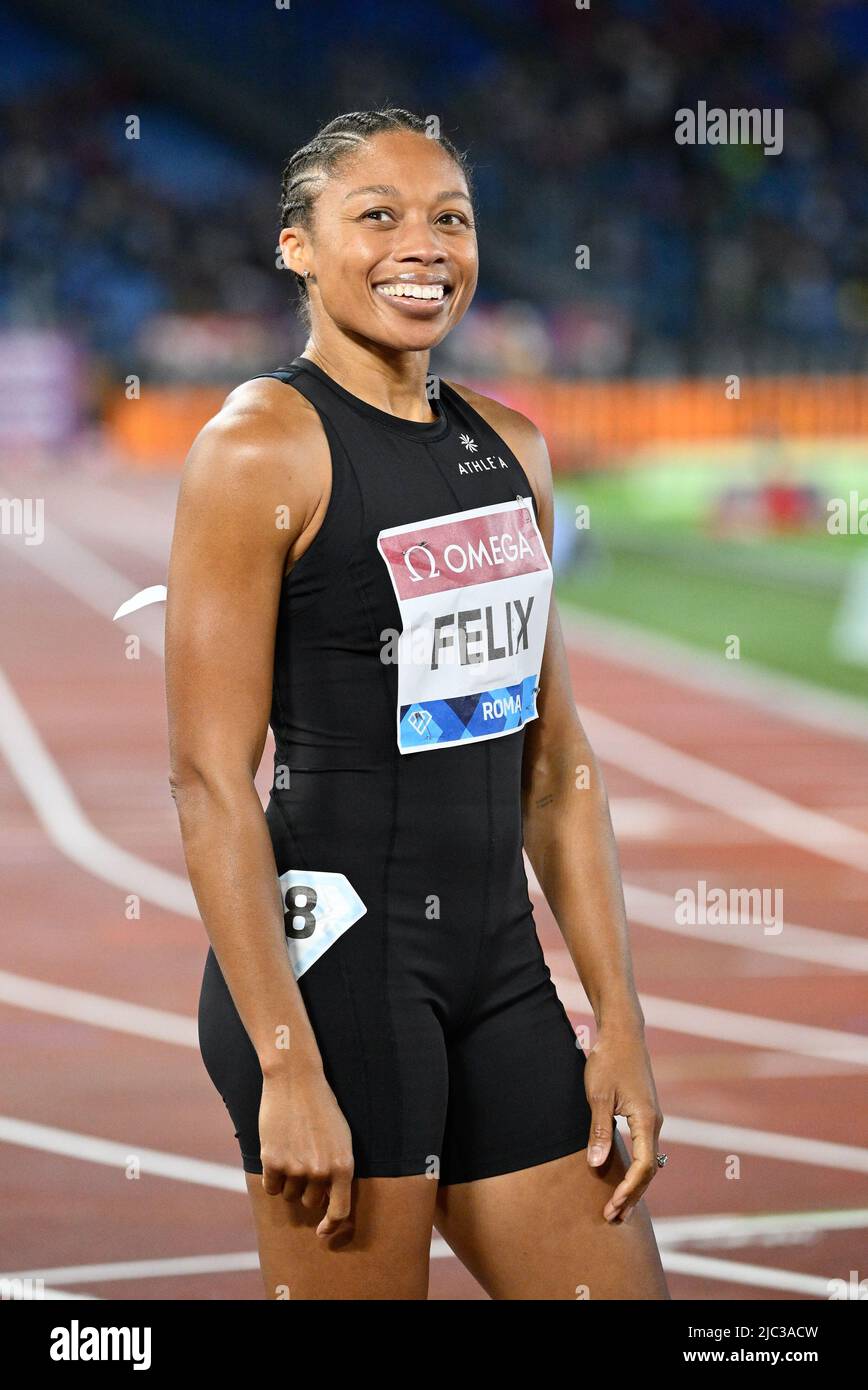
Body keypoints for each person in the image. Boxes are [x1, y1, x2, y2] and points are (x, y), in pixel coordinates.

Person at [165, 108, 670, 1301]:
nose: (423, 245)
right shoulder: (260, 450)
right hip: (336, 982)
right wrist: (286, 1063)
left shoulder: (512, 450)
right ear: (297, 247)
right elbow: (206, 779)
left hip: (499, 973)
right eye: (377, 216)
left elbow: (552, 767)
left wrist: (620, 1022)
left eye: (450, 216)